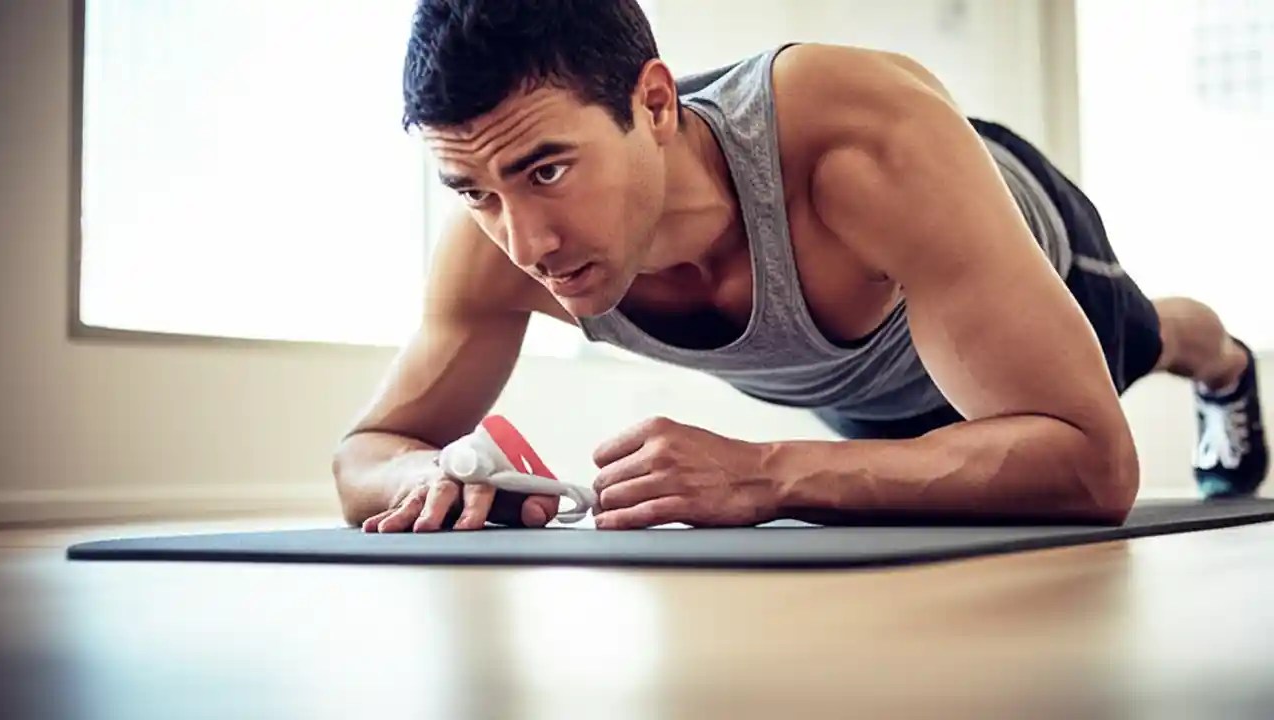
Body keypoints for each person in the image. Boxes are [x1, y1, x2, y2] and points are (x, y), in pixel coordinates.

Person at [332, 0, 1268, 533]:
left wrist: (768, 472)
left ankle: (1221, 359)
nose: (526, 245)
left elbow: (1096, 468)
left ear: (654, 104)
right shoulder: (497, 237)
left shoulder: (856, 144)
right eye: (475, 190)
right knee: (881, 444)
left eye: (548, 170)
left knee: (1147, 337)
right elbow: (363, 454)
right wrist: (434, 478)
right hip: (847, 383)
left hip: (1022, 259)